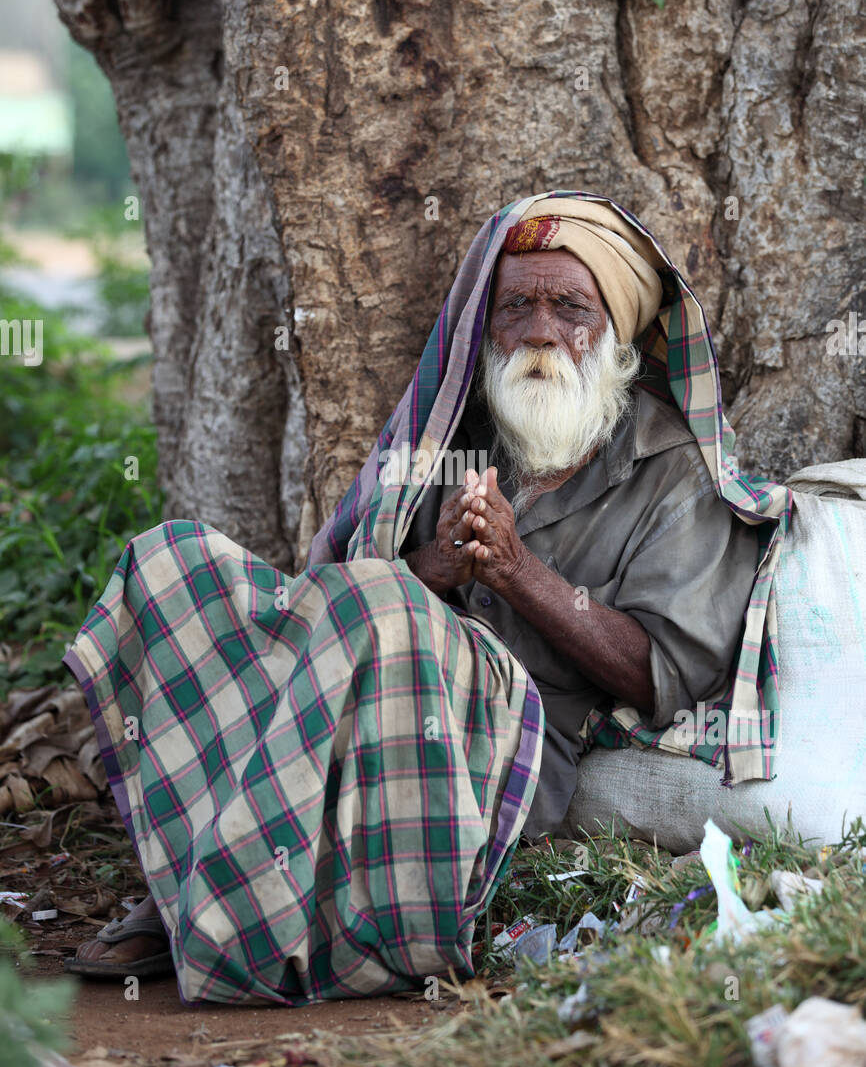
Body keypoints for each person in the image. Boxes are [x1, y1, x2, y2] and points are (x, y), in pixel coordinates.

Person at [62, 192, 789, 1004]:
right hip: (347, 681)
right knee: (174, 563)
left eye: (570, 308)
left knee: (382, 606)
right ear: (487, 327)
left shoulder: (670, 474)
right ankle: (194, 881)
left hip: (498, 736)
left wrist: (518, 574)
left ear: (616, 334)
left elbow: (663, 673)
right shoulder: (451, 430)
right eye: (516, 306)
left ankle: (205, 912)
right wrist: (437, 565)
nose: (541, 331)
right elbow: (331, 585)